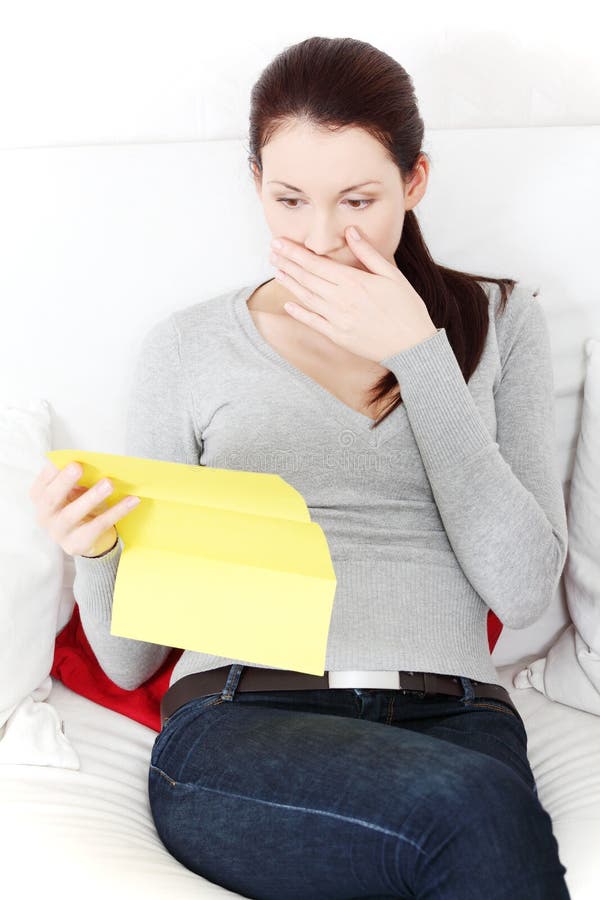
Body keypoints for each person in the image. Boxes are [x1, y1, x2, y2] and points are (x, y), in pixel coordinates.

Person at [30, 36, 572, 899]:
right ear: (254, 184)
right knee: (469, 811)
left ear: (415, 182)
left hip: (456, 720)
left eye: (359, 199)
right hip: (244, 722)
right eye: (289, 200)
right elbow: (131, 661)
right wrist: (95, 550)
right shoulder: (187, 347)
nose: (321, 237)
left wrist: (420, 357)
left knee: (468, 804)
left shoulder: (499, 321)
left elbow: (523, 586)